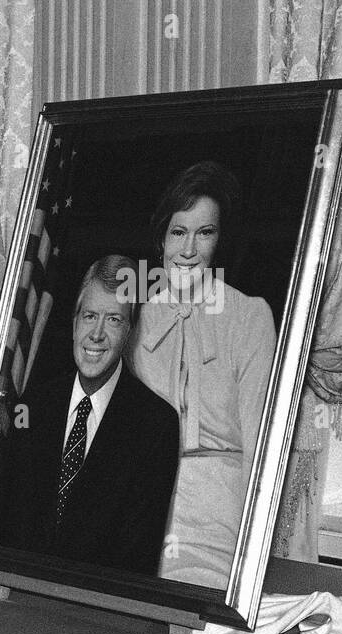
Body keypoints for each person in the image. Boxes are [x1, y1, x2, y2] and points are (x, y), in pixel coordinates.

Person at [0, 255, 180, 575]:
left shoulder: (157, 425)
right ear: (74, 323)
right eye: (89, 316)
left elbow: (136, 559)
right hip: (15, 599)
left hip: (96, 612)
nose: (96, 334)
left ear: (131, 330)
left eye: (114, 319)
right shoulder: (30, 406)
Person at [128, 162, 277, 588]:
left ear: (219, 240)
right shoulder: (136, 318)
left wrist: (253, 540)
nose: (189, 248)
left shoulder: (249, 316)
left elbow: (259, 446)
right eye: (178, 232)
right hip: (149, 500)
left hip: (220, 507)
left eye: (204, 232)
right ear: (161, 239)